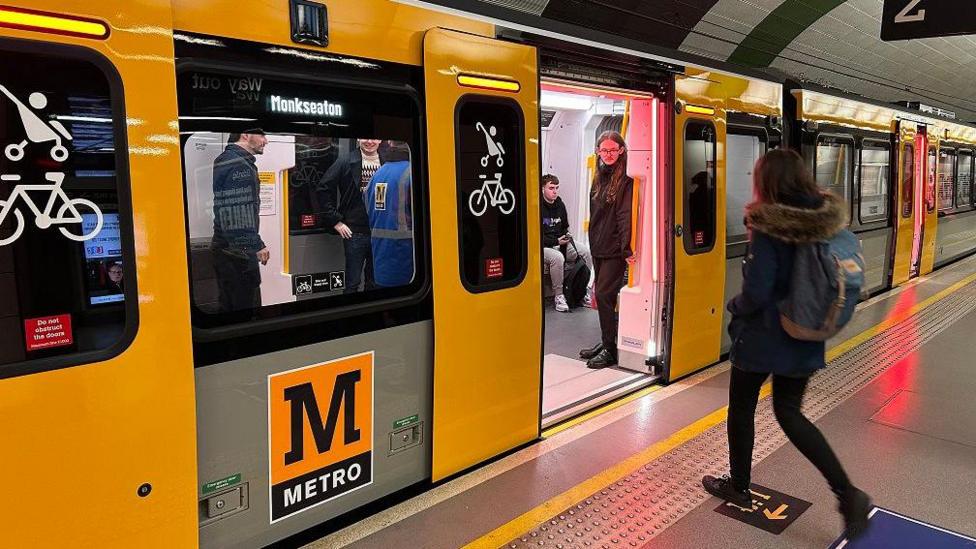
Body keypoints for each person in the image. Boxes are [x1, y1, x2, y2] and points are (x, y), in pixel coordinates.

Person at [701, 149, 871, 539]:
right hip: (805, 332)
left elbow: (757, 291)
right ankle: (848, 494)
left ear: (767, 183)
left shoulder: (769, 224)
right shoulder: (826, 220)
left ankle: (739, 486)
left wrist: (735, 307)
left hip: (763, 335)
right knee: (790, 414)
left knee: (742, 407)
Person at [580, 131, 635, 369]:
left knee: (604, 294)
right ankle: (606, 341)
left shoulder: (626, 179)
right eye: (604, 150)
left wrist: (626, 248)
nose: (608, 154)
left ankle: (610, 350)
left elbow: (624, 216)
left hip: (614, 247)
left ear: (621, 150)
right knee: (601, 294)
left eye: (613, 150)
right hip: (599, 244)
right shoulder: (600, 175)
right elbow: (596, 214)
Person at [211, 129, 268, 312]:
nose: (265, 141)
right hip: (238, 252)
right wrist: (256, 244)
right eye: (262, 135)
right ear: (245, 134)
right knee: (244, 308)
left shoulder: (227, 159)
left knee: (229, 304)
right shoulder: (238, 165)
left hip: (228, 249)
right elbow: (237, 212)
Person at [318, 140, 373, 294]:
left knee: (376, 282)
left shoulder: (385, 161)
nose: (370, 141)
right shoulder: (346, 161)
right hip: (355, 232)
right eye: (365, 138)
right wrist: (335, 220)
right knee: (352, 283)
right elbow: (323, 188)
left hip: (380, 232)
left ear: (380, 140)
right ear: (358, 140)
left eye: (374, 138)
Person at [541, 173, 592, 312]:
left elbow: (564, 227)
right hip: (543, 246)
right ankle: (559, 296)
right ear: (542, 189)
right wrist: (555, 241)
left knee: (585, 252)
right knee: (558, 258)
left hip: (560, 242)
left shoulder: (560, 204)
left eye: (557, 187)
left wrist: (566, 236)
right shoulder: (536, 206)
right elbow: (535, 236)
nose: (555, 191)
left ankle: (583, 290)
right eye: (551, 188)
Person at [366, 141, 413, 287]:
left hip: (381, 261)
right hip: (407, 261)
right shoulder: (412, 173)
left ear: (390, 143)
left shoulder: (377, 174)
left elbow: (369, 207)